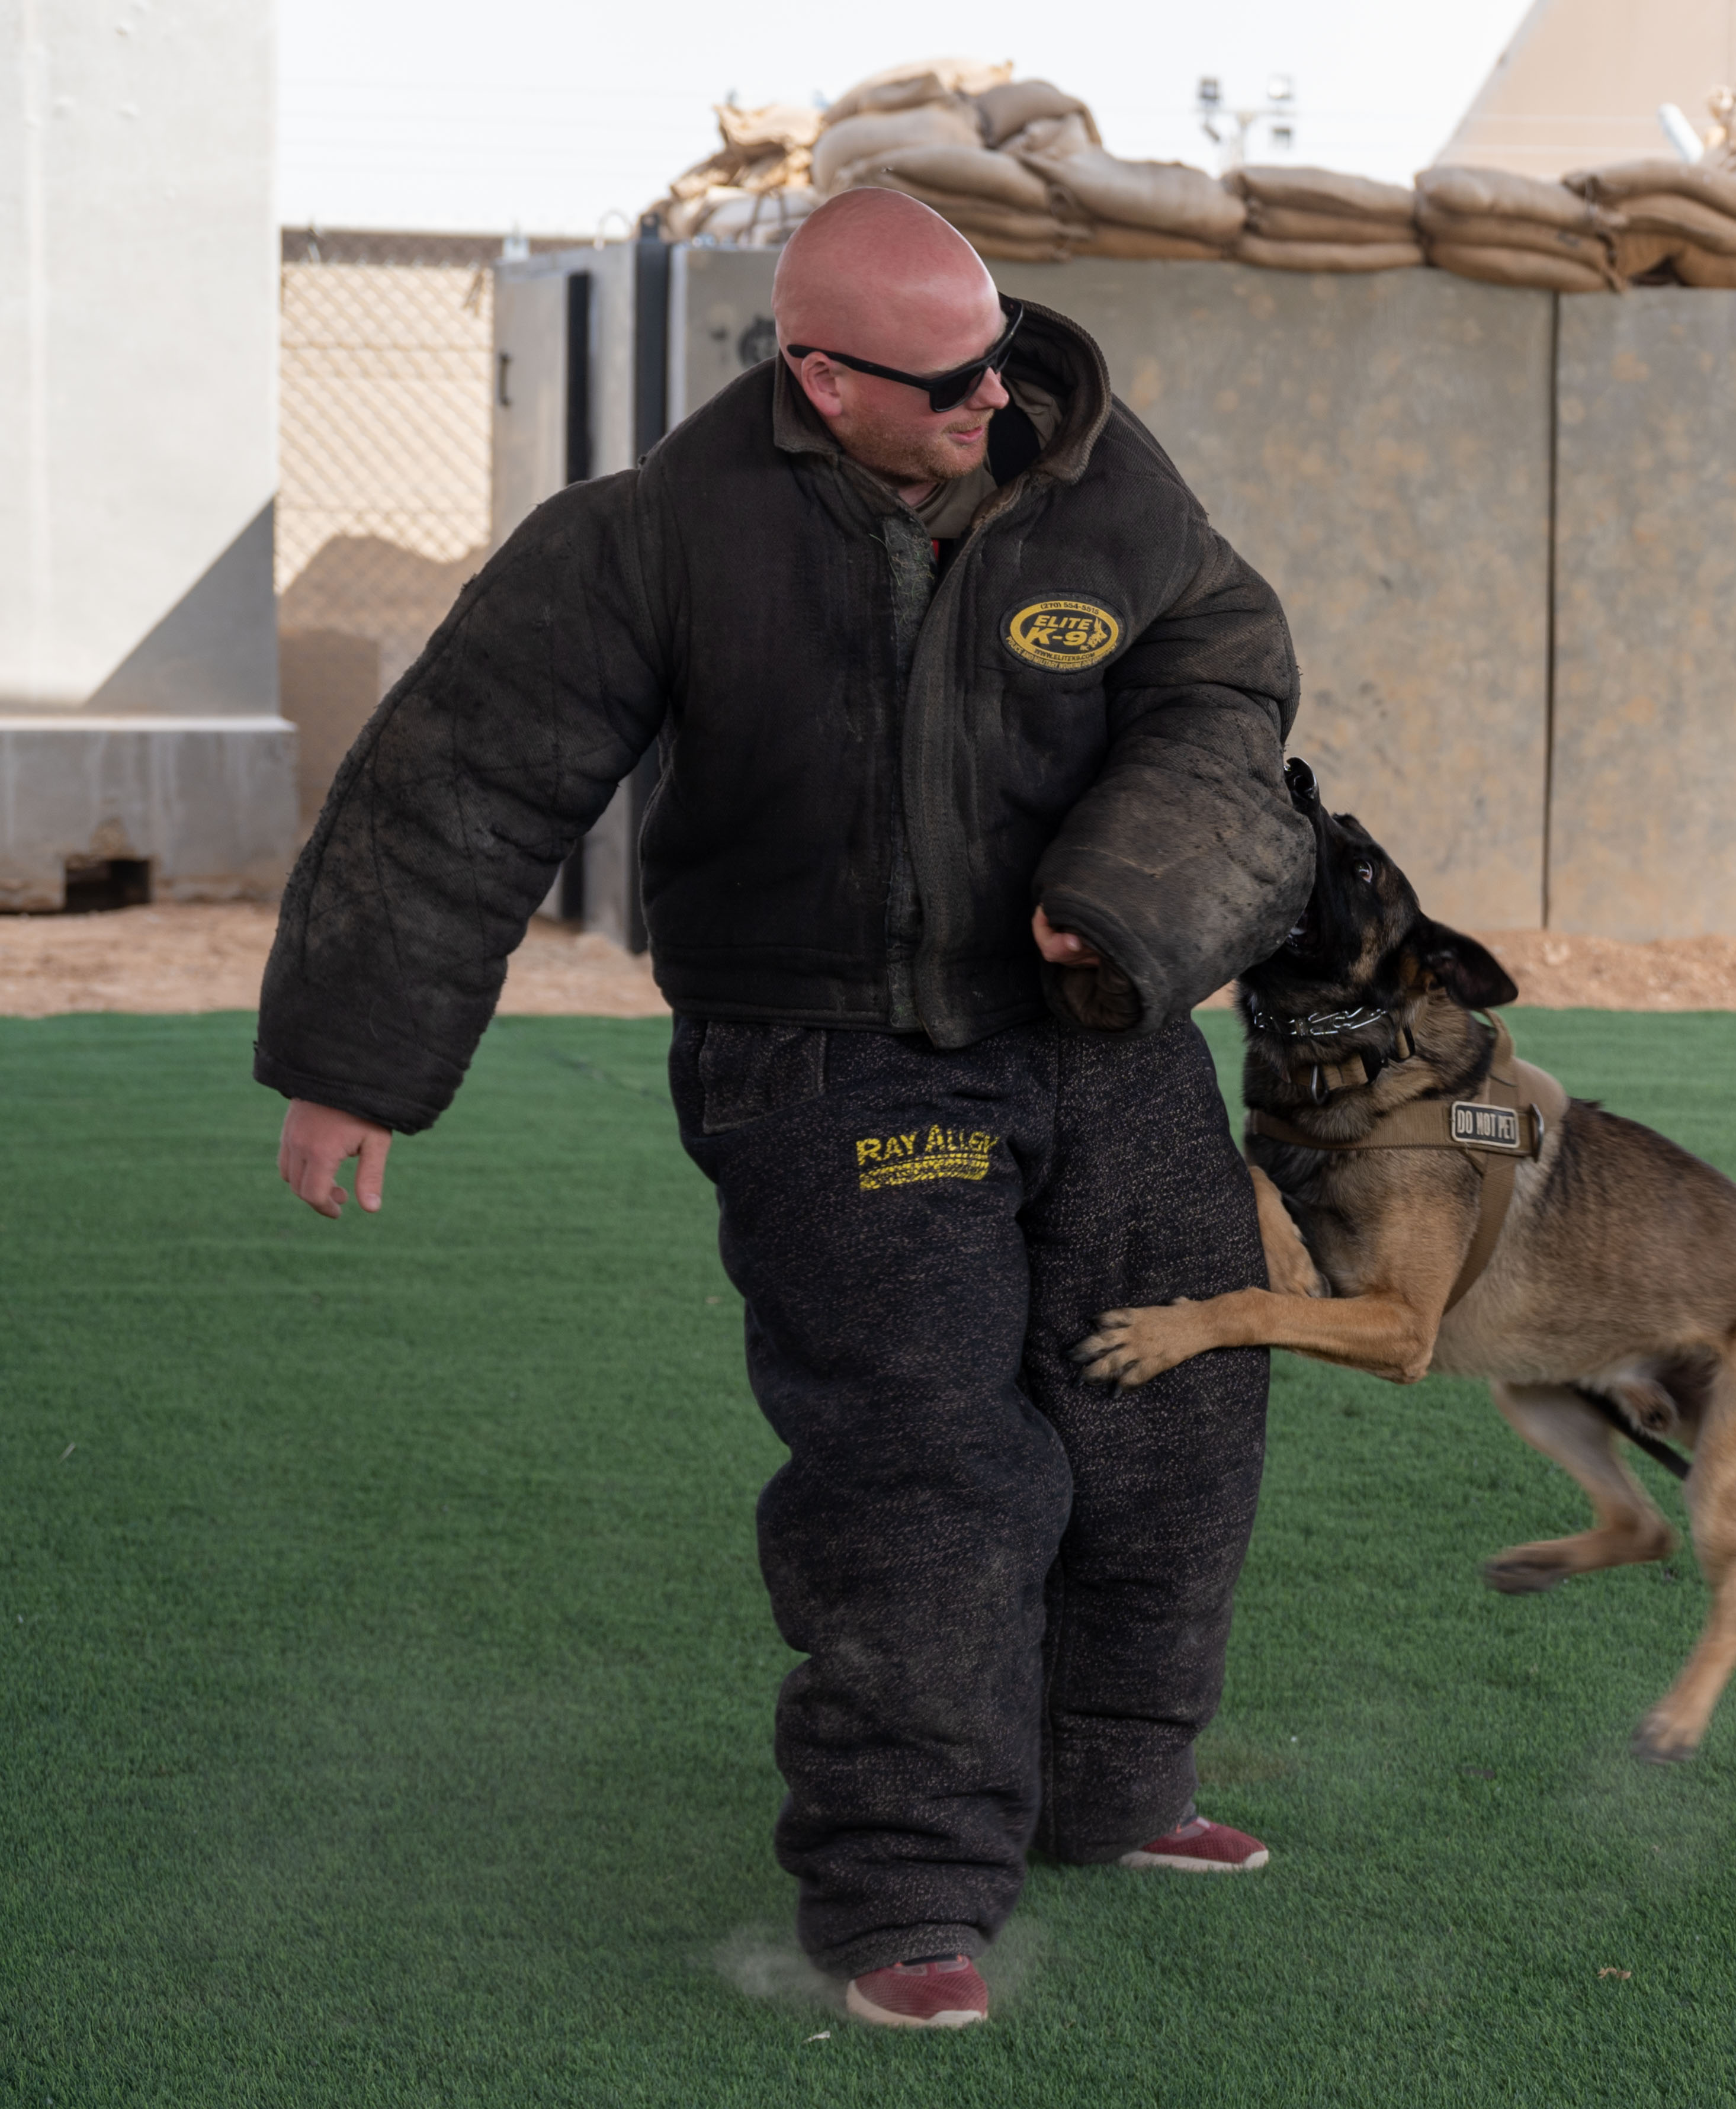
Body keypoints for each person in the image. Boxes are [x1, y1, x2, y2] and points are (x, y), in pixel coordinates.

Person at [257, 190, 1314, 2025]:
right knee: (925, 1467)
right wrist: (357, 1060)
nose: (1000, 399)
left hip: (1097, 1033)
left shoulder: (1100, 477)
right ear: (823, 378)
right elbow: (462, 782)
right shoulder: (657, 537)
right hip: (822, 1055)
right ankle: (905, 1888)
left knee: (1180, 1416)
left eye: (1002, 356)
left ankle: (1119, 1783)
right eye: (951, 381)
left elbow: (1225, 676)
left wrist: (1129, 894)